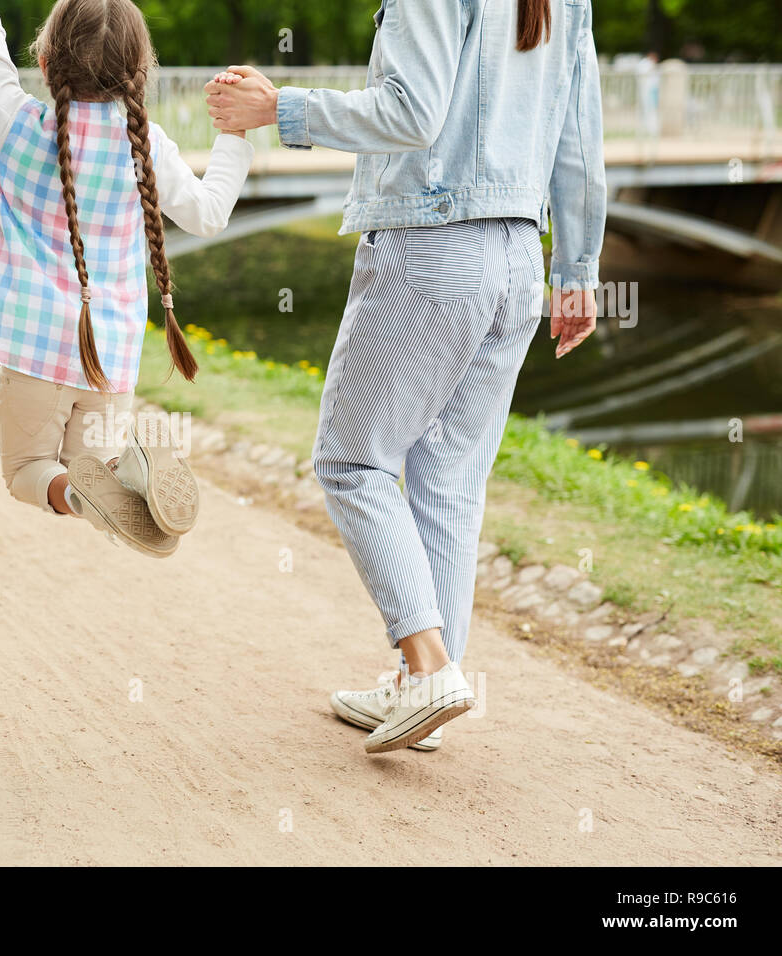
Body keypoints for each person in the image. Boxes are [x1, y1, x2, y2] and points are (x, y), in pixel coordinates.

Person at [206, 0, 606, 752]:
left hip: (433, 245)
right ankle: (421, 694)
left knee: (352, 461)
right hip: (520, 258)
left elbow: (411, 114)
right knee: (448, 483)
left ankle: (427, 670)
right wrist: (578, 269)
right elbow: (579, 132)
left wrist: (278, 108)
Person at [0, 0, 253, 557]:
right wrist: (234, 132)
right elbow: (209, 213)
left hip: (31, 348)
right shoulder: (146, 148)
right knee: (94, 462)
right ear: (141, 73)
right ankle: (129, 474)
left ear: (44, 63)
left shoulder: (17, 126)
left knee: (28, 472)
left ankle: (95, 497)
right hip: (108, 359)